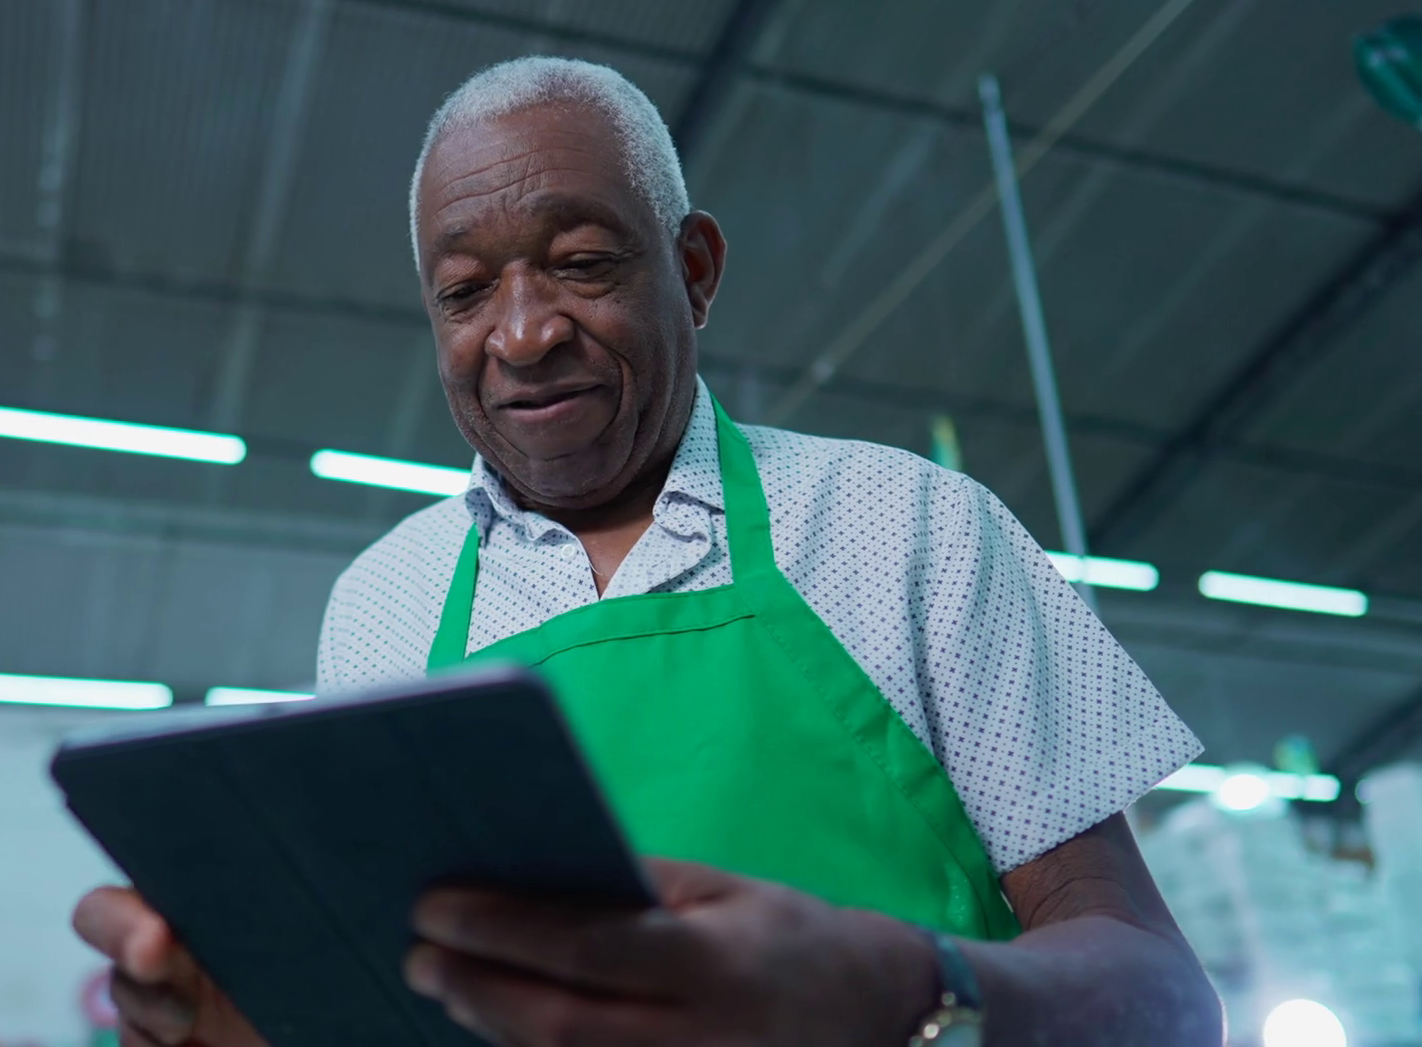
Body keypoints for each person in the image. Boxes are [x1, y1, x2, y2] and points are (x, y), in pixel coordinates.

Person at [73, 57, 1222, 1045]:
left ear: (696, 270)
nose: (522, 334)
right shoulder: (384, 604)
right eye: (466, 291)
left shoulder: (903, 525)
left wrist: (908, 994)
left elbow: (1165, 998)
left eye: (581, 262)